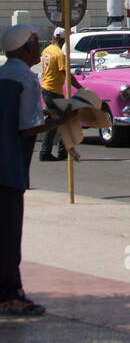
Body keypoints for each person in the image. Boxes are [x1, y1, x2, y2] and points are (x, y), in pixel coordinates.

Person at [0, 26, 74, 318]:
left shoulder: (2, 75)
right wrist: (61, 121)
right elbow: (28, 127)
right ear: (24, 50)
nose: (37, 48)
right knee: (9, 236)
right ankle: (9, 296)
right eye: (33, 44)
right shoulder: (26, 80)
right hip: (9, 169)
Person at [39, 27, 81, 162]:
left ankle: (51, 152)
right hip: (53, 92)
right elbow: (66, 74)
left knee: (55, 121)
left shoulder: (47, 50)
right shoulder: (59, 55)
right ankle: (55, 152)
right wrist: (80, 88)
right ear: (63, 39)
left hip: (47, 89)